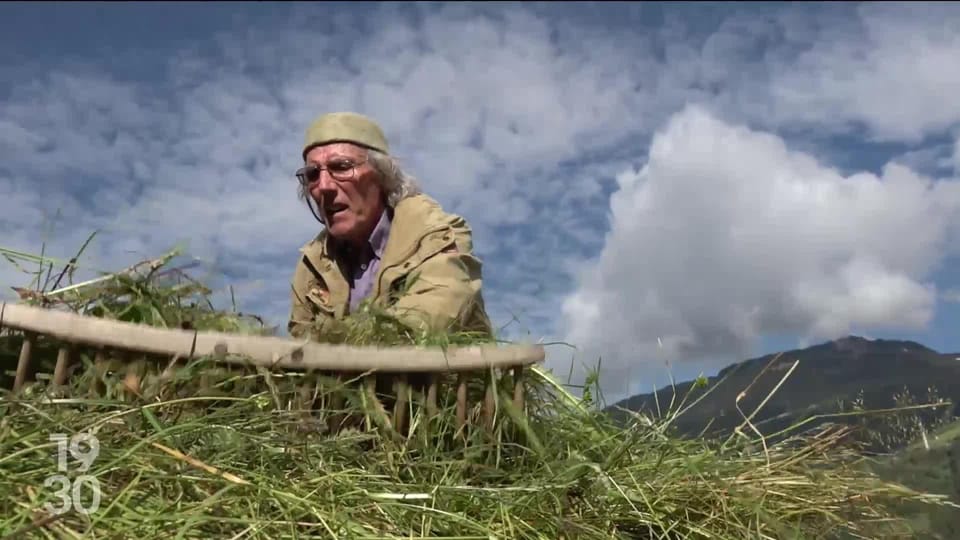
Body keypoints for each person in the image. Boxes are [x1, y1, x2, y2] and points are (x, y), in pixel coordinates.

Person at [287, 112, 493, 341]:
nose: (323, 186)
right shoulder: (311, 264)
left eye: (342, 167)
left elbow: (431, 316)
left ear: (382, 175)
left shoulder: (436, 232)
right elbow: (301, 348)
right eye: (313, 174)